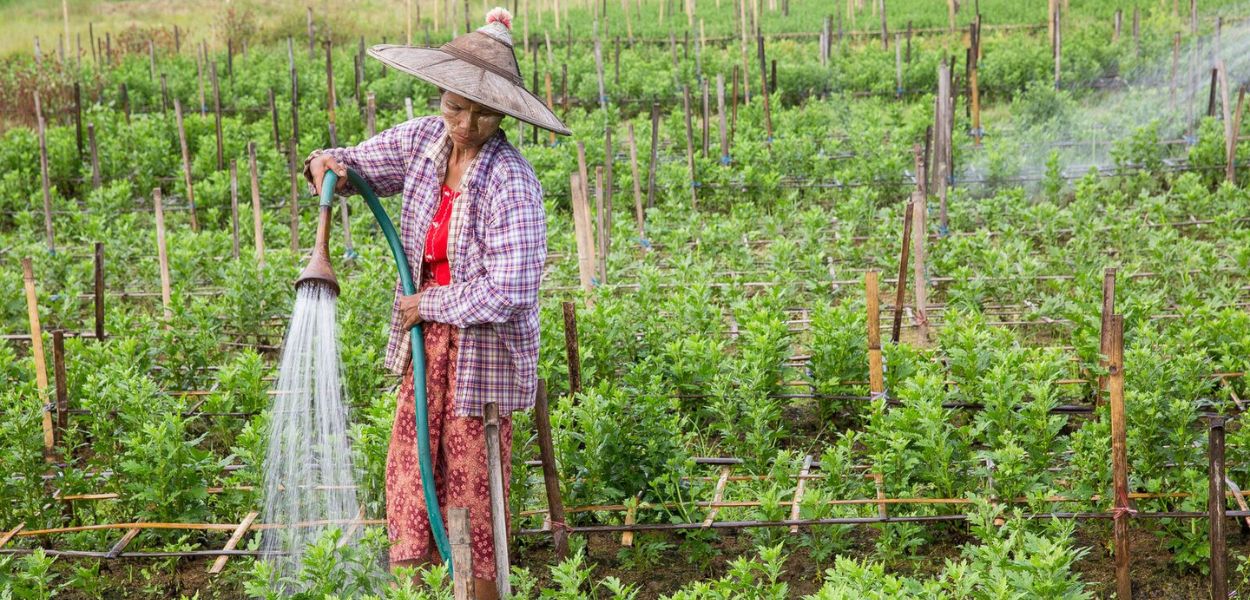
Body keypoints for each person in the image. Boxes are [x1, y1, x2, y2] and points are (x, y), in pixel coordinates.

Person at [304, 8, 570, 599]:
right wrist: (327, 165)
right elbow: (357, 164)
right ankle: (414, 589)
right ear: (440, 96)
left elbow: (511, 289)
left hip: (480, 357)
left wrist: (431, 304)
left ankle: (476, 591)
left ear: (503, 115)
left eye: (482, 113)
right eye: (455, 106)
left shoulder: (512, 181)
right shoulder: (423, 139)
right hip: (425, 350)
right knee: (412, 472)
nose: (464, 124)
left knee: (472, 492)